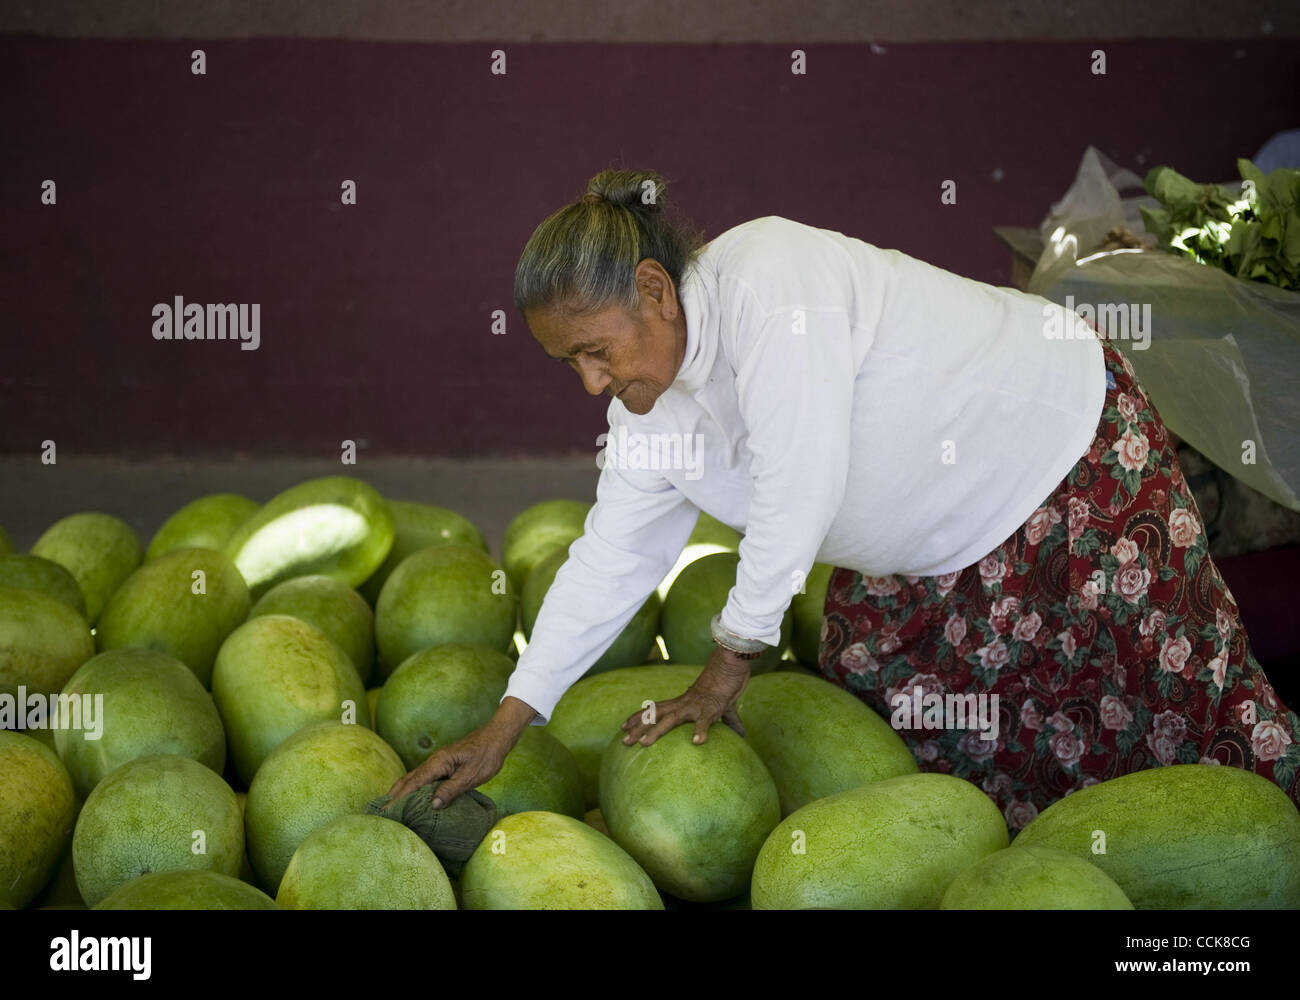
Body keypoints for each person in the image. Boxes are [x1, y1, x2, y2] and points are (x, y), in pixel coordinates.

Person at [385, 168, 1300, 823]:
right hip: (940, 550)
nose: (589, 381)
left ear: (654, 290)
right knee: (917, 709)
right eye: (568, 365)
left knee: (1177, 693)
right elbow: (612, 558)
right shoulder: (647, 416)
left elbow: (801, 479)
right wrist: (512, 717)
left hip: (1062, 449)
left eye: (594, 351)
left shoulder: (772, 280)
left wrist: (728, 661)